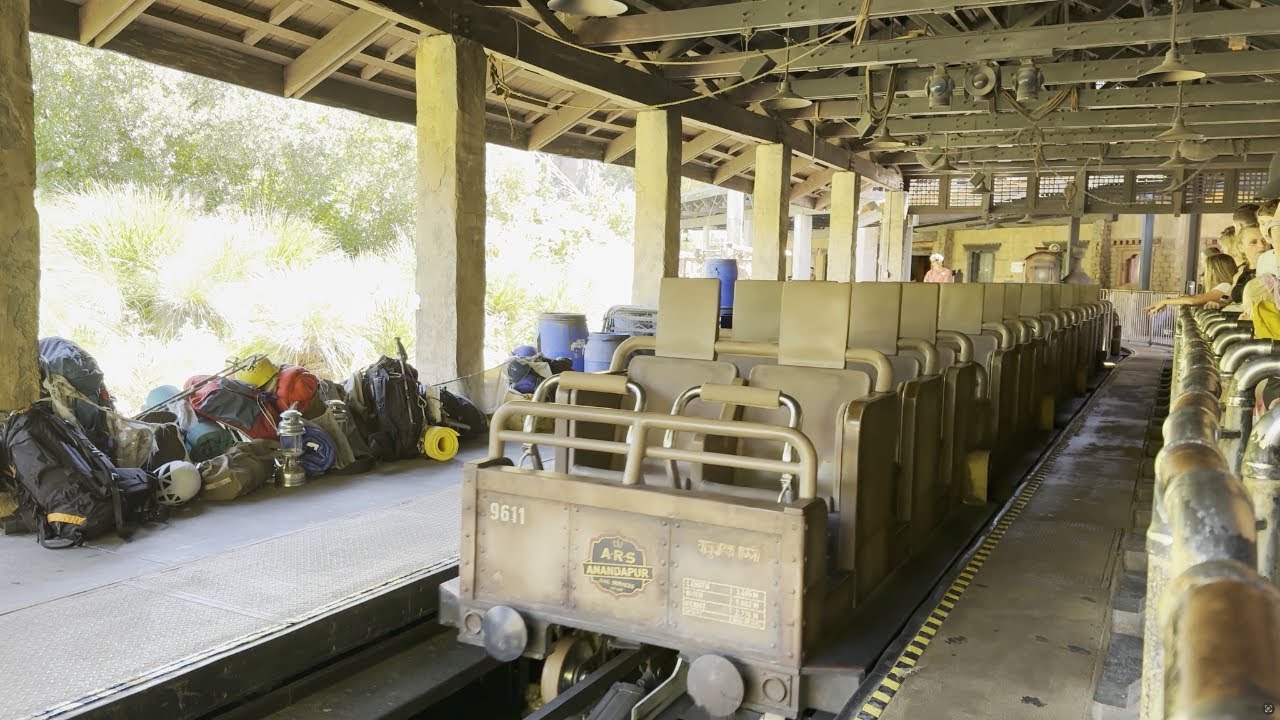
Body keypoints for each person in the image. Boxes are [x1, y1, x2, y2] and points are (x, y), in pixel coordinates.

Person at [1145, 253, 1238, 315]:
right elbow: (1195, 298)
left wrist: (1163, 301)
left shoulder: (1225, 286)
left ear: (1213, 271)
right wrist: (1170, 301)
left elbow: (1193, 300)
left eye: (1206, 269)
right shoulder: (1225, 286)